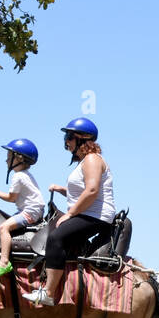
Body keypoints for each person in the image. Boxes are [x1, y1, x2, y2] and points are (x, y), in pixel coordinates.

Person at [23, 118, 115, 306]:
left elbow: (91, 191)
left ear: (82, 139)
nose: (66, 141)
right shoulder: (84, 162)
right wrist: (62, 190)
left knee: (56, 237)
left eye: (69, 136)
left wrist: (70, 214)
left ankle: (48, 293)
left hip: (96, 216)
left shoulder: (92, 159)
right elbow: (83, 193)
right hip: (88, 213)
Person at [0, 138, 45, 278]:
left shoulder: (18, 176)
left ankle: (4, 262)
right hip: (34, 210)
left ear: (19, 158)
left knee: (3, 228)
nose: (6, 161)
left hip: (30, 211)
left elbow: (11, 198)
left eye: (8, 157)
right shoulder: (25, 175)